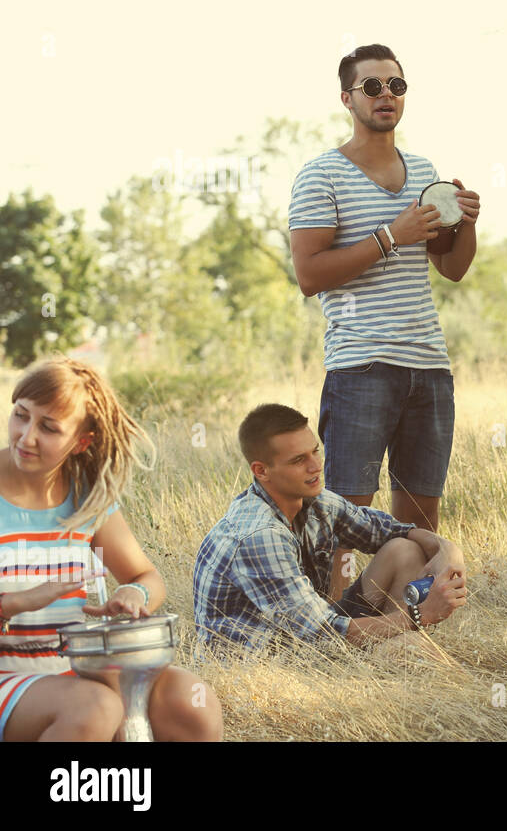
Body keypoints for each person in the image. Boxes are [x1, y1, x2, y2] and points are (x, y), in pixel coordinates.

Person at [289, 43, 480, 599]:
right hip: (361, 364)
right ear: (347, 98)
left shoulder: (424, 171)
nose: (385, 96)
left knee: (421, 511)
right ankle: (330, 628)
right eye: (371, 87)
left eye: (395, 85)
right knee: (345, 512)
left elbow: (452, 268)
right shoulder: (320, 174)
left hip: (429, 364)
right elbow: (309, 274)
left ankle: (408, 624)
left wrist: (466, 222)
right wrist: (391, 234)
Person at [0, 356, 222, 741]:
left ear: (80, 442)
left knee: (192, 702)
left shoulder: (86, 496)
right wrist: (20, 602)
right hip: (9, 677)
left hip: (77, 671)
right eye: (21, 415)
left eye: (48, 428)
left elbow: (146, 577)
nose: (26, 435)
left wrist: (133, 595)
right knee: (95, 708)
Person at [194, 404, 467, 651]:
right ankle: (397, 656)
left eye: (315, 451)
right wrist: (419, 616)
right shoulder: (260, 535)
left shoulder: (316, 500)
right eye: (298, 460)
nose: (316, 466)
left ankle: (392, 652)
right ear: (261, 471)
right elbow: (322, 633)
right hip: (267, 663)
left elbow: (386, 530)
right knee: (408, 648)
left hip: (310, 634)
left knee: (403, 550)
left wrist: (447, 549)